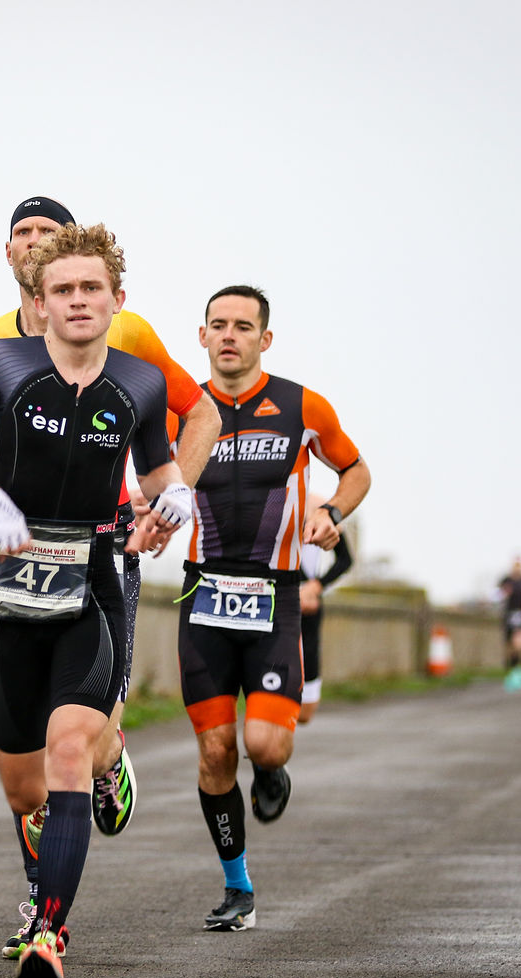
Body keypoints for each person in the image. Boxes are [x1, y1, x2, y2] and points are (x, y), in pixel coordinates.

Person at [0, 223, 191, 978]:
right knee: (24, 789)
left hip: (92, 578)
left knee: (68, 747)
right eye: (62, 289)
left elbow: (160, 467)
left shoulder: (139, 382)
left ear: (117, 299)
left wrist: (175, 500)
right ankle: (95, 784)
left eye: (91, 288)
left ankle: (49, 932)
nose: (77, 301)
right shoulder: (1, 363)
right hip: (6, 585)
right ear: (38, 302)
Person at [0, 196, 221, 847]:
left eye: (48, 232)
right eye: (23, 232)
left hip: (106, 547)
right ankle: (39, 895)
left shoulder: (125, 332)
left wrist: (170, 494)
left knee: (84, 739)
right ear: (12, 252)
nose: (34, 241)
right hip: (20, 553)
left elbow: (205, 415)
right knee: (29, 755)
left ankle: (109, 758)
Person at [179, 285, 370, 932]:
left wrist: (331, 510)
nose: (229, 335)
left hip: (275, 595)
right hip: (201, 593)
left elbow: (357, 469)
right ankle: (238, 888)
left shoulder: (299, 405)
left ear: (266, 339)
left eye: (244, 326)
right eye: (218, 325)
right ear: (201, 336)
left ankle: (271, 769)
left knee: (262, 741)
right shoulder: (181, 410)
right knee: (212, 752)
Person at [297, 532, 354, 725]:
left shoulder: (319, 508)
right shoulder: (269, 505)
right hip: (272, 600)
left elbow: (345, 559)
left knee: (305, 712)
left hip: (309, 607)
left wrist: (315, 587)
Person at [497, 557, 521, 691]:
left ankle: (519, 670)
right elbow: (496, 596)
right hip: (509, 615)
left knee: (520, 643)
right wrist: (504, 593)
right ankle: (512, 670)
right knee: (510, 646)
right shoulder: (506, 580)